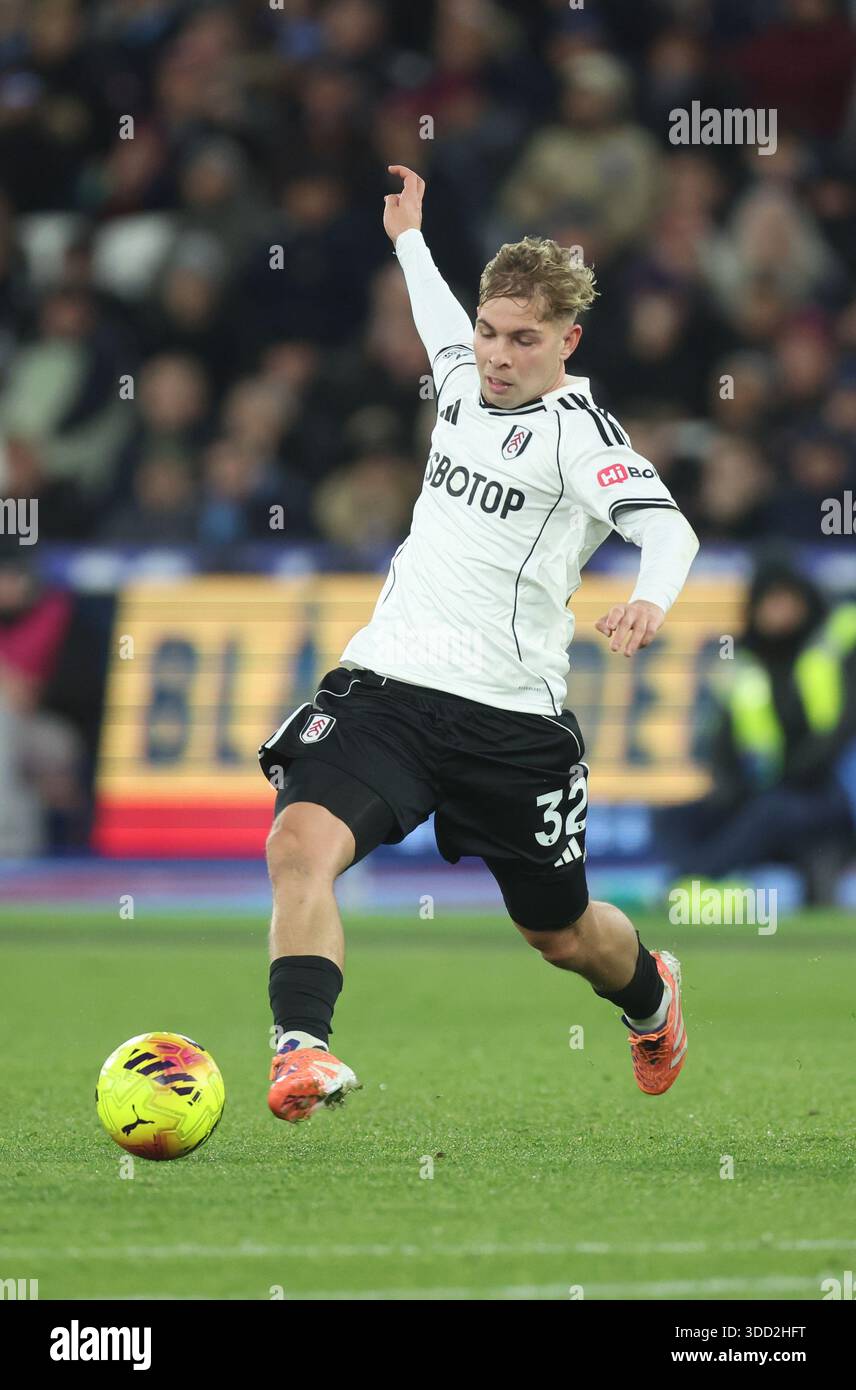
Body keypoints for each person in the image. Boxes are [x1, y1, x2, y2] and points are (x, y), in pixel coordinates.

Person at [259, 166, 700, 1122]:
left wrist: (651, 602)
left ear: (568, 343)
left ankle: (651, 996)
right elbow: (434, 317)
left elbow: (670, 529)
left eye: (524, 339)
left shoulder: (581, 438)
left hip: (510, 719)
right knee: (299, 844)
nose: (497, 355)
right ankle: (301, 1051)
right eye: (490, 331)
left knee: (563, 935)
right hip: (389, 684)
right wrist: (408, 238)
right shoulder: (460, 375)